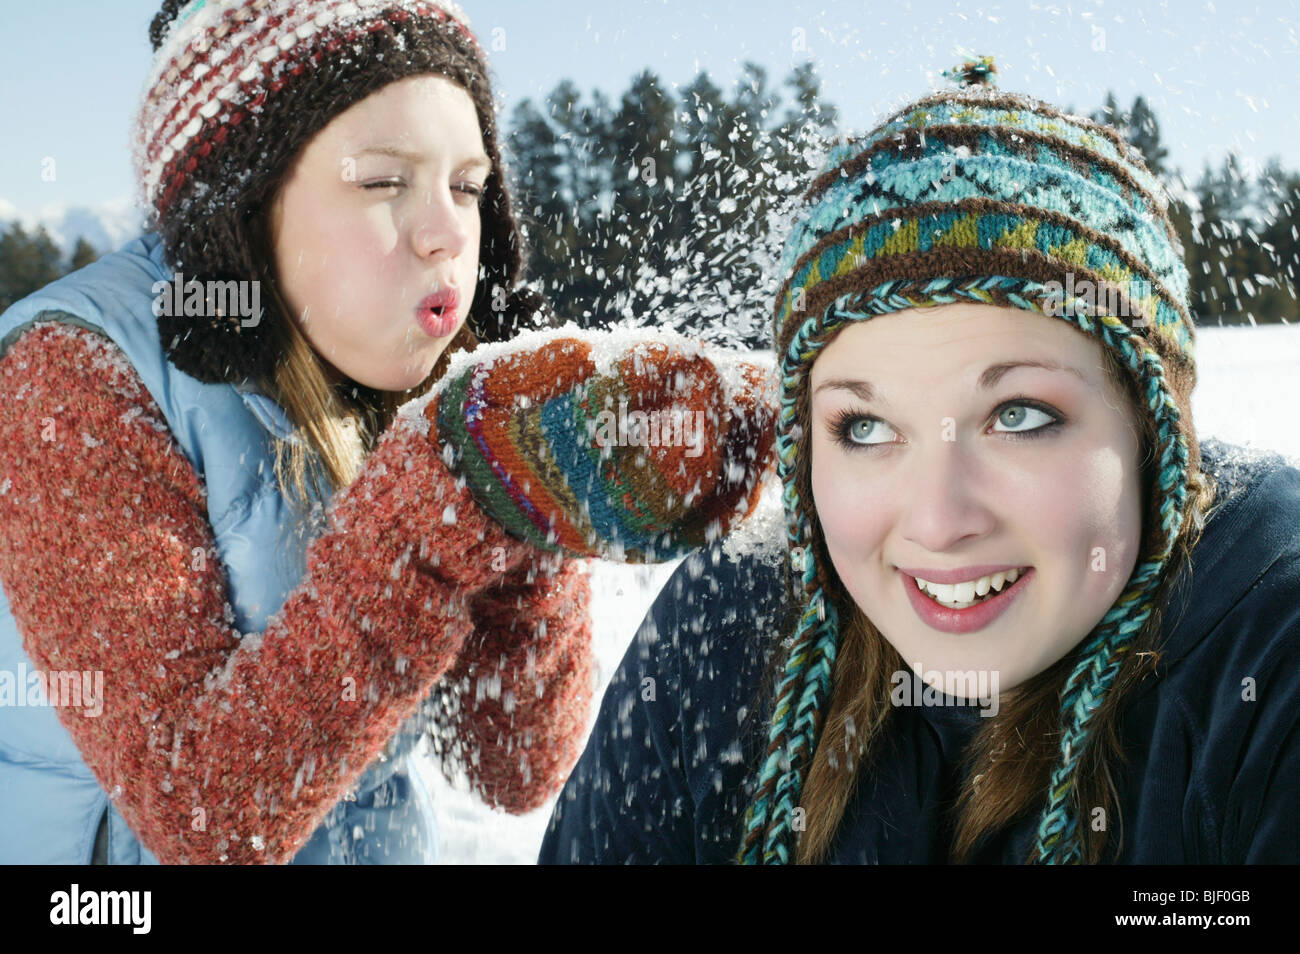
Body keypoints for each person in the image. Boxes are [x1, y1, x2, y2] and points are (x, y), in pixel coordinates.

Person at [0, 0, 776, 865]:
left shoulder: (414, 370)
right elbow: (200, 815)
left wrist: (537, 502)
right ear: (240, 208)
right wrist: (426, 523)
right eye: (381, 181)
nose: (449, 233)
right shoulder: (72, 373)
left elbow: (515, 769)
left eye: (469, 186)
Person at [539, 62, 1300, 864]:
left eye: (1019, 417)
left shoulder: (1270, 659)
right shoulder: (725, 637)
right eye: (864, 427)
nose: (937, 521)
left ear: (1154, 434)